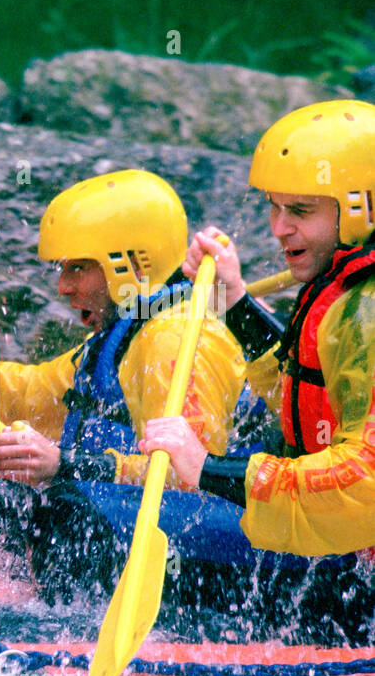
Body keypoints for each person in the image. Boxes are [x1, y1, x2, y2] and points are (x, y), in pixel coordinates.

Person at [141, 99, 375, 641]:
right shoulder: (346, 293)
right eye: (274, 208)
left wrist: (210, 469)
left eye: (300, 211)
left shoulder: (367, 313)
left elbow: (365, 481)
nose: (278, 228)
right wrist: (235, 302)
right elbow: (307, 388)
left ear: (362, 209)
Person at [0, 170, 260, 606]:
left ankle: (67, 637)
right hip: (158, 522)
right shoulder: (123, 334)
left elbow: (194, 477)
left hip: (239, 541)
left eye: (78, 268)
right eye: (62, 269)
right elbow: (33, 391)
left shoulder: (176, 342)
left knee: (71, 502)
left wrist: (67, 464)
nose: (63, 287)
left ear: (131, 266)